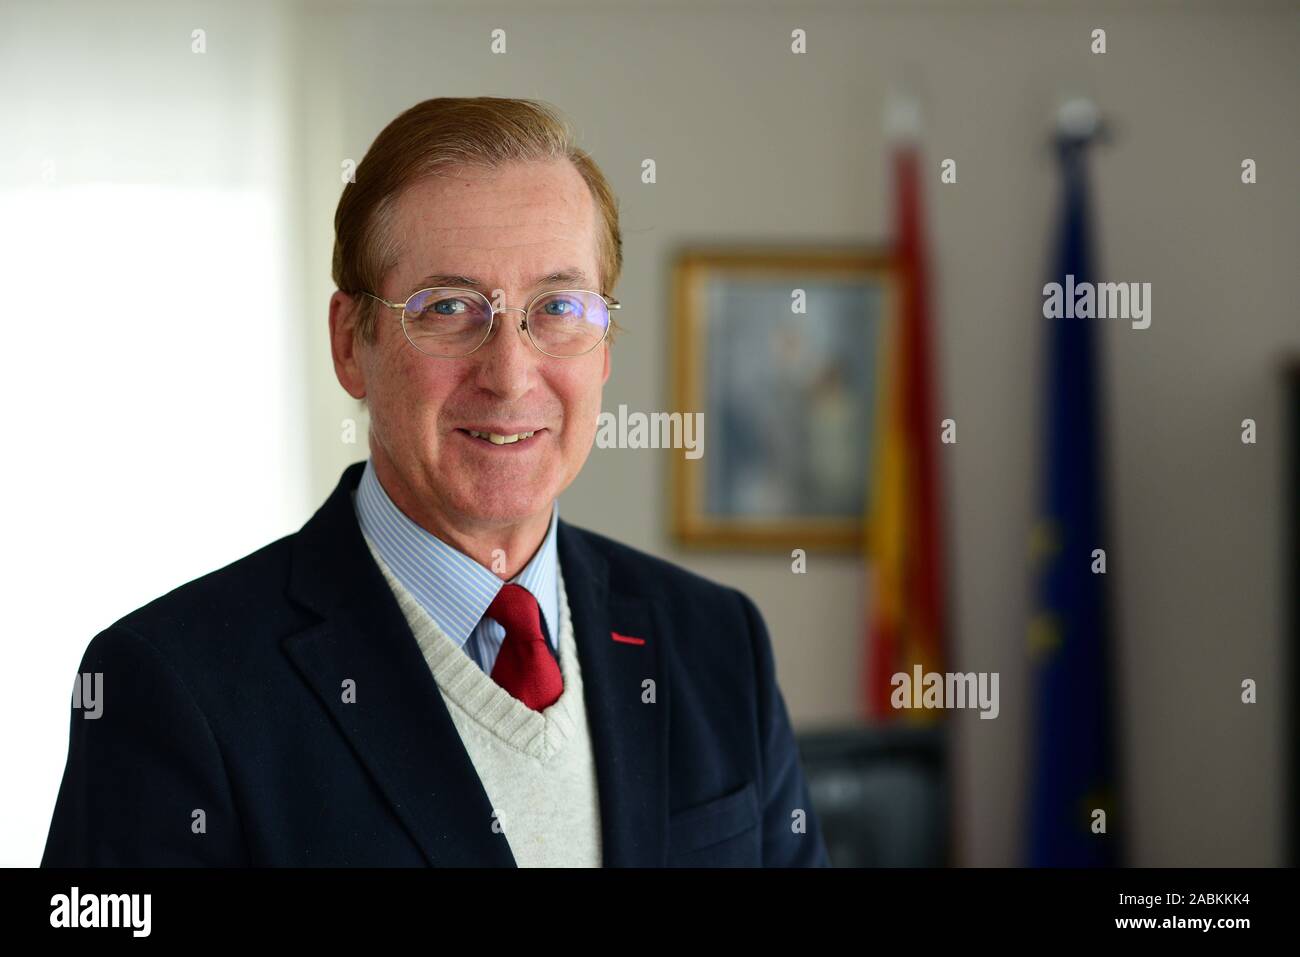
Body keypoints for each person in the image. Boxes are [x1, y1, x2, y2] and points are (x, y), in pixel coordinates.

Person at [41, 96, 831, 867]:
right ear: (351, 343)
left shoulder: (716, 644)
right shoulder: (173, 687)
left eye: (557, 306)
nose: (510, 373)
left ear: (605, 347)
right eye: (449, 307)